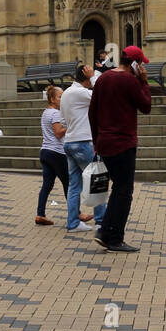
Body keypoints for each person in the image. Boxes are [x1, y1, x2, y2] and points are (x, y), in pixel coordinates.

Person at [88, 43, 153, 252]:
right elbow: (146, 106)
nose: (142, 67)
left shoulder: (103, 78)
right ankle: (113, 237)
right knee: (123, 191)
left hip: (105, 143)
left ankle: (105, 231)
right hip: (123, 142)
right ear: (134, 63)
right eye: (140, 63)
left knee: (118, 189)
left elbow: (92, 112)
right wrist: (144, 82)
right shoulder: (130, 81)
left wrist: (96, 141)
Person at [59, 63, 101, 232]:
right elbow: (102, 94)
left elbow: (62, 122)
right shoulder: (80, 92)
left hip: (69, 142)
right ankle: (101, 221)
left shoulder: (67, 93)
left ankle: (73, 223)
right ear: (85, 77)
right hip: (83, 142)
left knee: (74, 185)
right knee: (97, 181)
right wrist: (93, 77)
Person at [35, 85, 69, 224]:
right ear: (52, 99)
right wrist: (71, 125)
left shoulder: (46, 112)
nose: (63, 99)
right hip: (56, 152)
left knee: (47, 185)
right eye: (60, 97)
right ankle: (76, 213)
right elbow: (58, 133)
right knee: (69, 184)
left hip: (45, 152)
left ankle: (40, 214)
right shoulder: (55, 114)